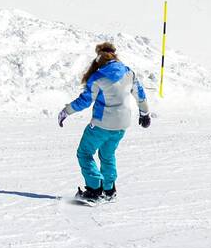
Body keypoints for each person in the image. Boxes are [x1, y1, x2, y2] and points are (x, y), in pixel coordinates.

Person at [58, 41, 152, 203]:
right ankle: (109, 190)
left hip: (102, 124)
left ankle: (94, 190)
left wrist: (66, 111)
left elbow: (85, 101)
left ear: (99, 59)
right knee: (107, 154)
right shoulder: (129, 73)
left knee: (85, 153)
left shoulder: (98, 77)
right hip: (122, 125)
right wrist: (145, 113)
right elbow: (140, 95)